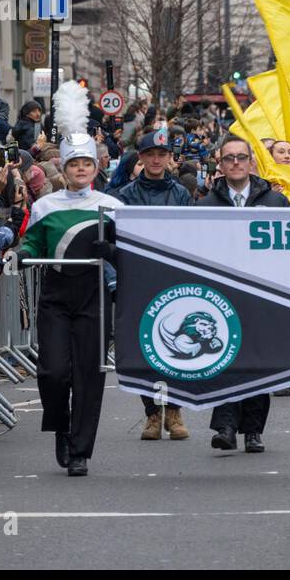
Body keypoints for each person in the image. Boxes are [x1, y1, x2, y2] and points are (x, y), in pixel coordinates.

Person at [17, 123, 123, 477]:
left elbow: (127, 253)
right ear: (63, 167)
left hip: (93, 296)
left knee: (89, 376)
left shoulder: (111, 205)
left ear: (96, 167)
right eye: (74, 163)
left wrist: (111, 249)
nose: (80, 169)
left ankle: (80, 451)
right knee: (53, 372)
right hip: (56, 294)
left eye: (87, 163)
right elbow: (33, 242)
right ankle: (61, 427)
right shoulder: (46, 205)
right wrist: (22, 253)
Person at [199, 137, 289, 452]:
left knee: (256, 362)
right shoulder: (206, 205)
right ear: (220, 165)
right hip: (221, 294)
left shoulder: (275, 202)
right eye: (229, 158)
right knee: (224, 360)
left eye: (241, 157)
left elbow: (289, 245)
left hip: (263, 293)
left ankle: (253, 430)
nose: (236, 163)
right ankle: (225, 425)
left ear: (251, 162)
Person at [117, 128, 193, 439]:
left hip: (173, 278)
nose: (157, 159)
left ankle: (174, 411)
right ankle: (151, 413)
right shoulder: (125, 196)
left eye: (162, 154)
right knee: (144, 351)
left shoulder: (181, 194)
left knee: (178, 348)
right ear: (142, 158)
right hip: (138, 279)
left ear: (170, 158)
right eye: (151, 154)